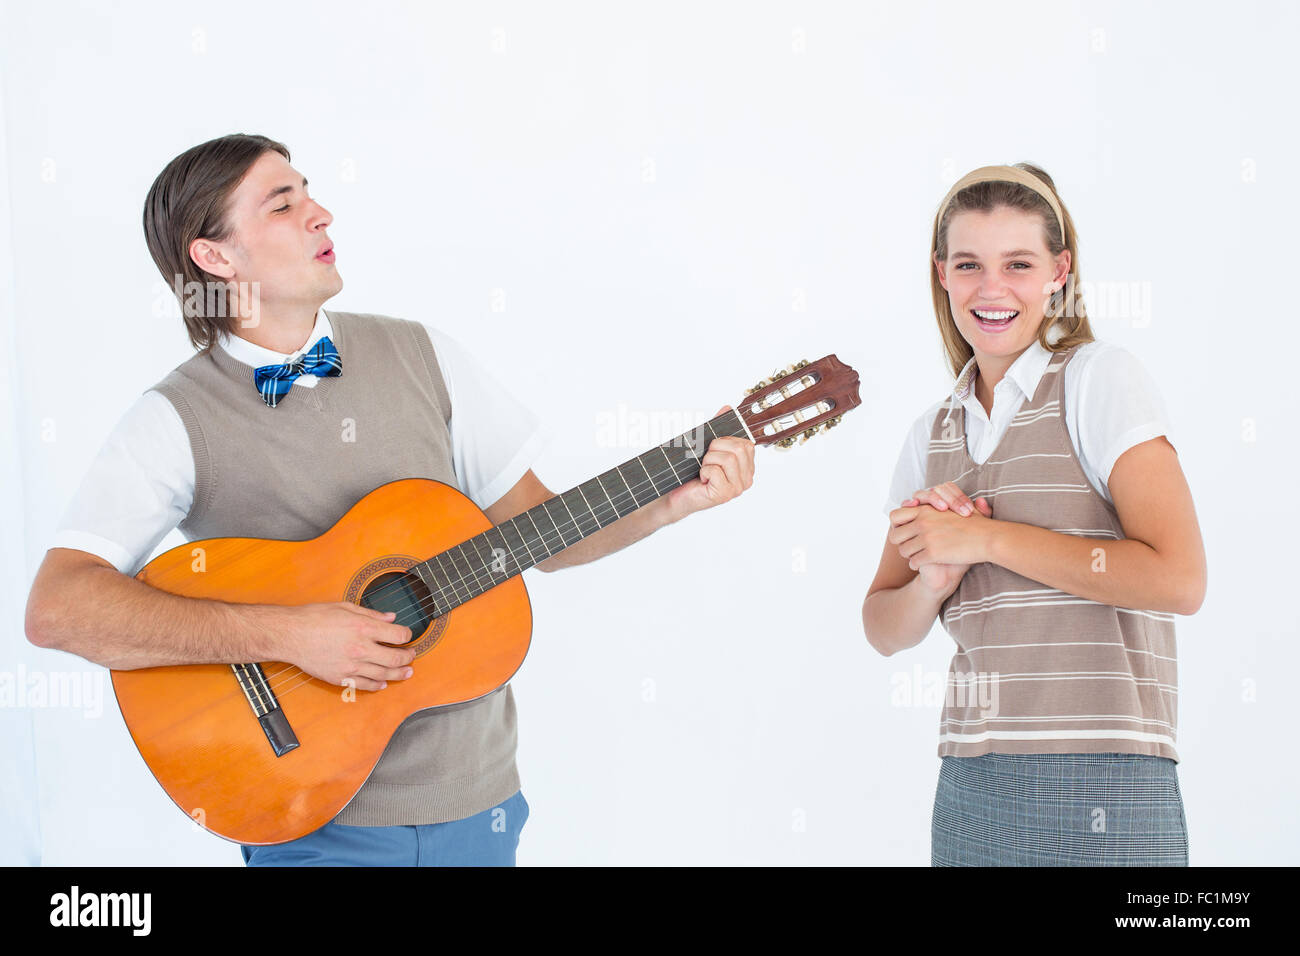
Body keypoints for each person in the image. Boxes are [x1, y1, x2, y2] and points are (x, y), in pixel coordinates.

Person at [23, 132, 756, 867]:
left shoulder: (422, 356)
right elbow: (59, 610)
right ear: (214, 257)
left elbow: (547, 534)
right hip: (311, 823)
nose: (322, 214)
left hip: (482, 808)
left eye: (309, 192)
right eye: (285, 204)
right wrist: (287, 636)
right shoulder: (173, 419)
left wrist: (672, 501)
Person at [862, 163, 1206, 866]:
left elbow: (1180, 579)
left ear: (1060, 271)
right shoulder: (932, 431)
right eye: (968, 265)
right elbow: (881, 628)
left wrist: (987, 537)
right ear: (942, 275)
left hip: (1107, 781)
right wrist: (935, 578)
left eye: (1018, 264)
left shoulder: (1099, 380)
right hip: (970, 787)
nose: (992, 289)